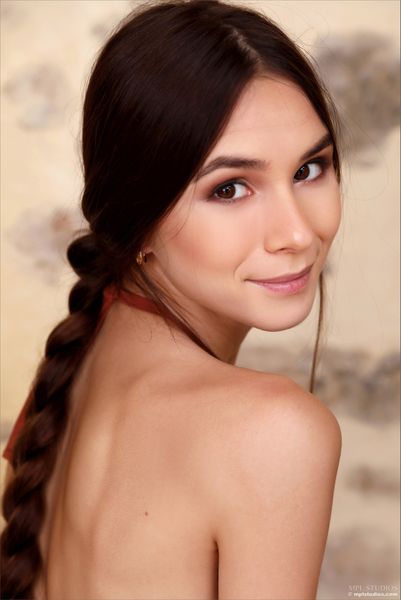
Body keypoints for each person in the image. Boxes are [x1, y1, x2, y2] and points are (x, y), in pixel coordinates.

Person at [1, 0, 343, 598]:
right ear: (138, 219)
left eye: (309, 169)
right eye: (229, 188)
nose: (296, 233)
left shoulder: (73, 370)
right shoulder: (274, 430)